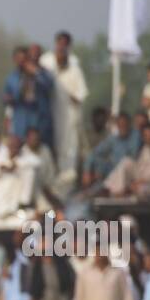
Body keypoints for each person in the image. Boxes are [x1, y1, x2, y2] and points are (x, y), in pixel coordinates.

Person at [38, 32, 87, 193]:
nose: (61, 47)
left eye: (64, 45)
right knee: (49, 152)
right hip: (49, 116)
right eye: (59, 44)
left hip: (68, 118)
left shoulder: (74, 66)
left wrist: (68, 94)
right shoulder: (46, 62)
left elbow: (80, 95)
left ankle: (66, 191)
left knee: (68, 152)